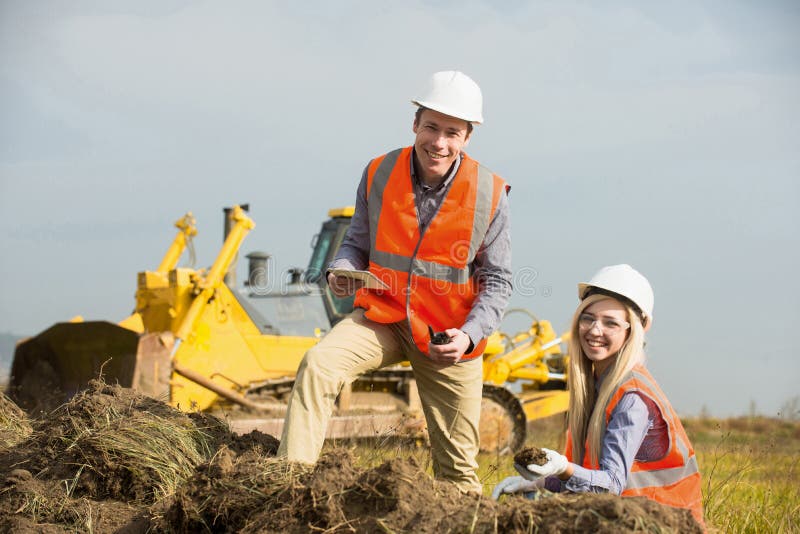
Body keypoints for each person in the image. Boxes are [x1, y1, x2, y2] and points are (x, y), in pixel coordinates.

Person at [277, 71, 512, 493]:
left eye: (452, 133)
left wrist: (470, 336)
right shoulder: (377, 173)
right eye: (432, 127)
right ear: (415, 124)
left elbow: (497, 280)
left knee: (459, 473)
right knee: (318, 366)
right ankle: (289, 488)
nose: (439, 142)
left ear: (467, 137)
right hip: (383, 318)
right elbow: (356, 243)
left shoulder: (489, 193)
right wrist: (340, 269)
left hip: (446, 337)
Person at [492, 264, 704, 527]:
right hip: (627, 518)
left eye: (610, 323)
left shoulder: (632, 399)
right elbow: (591, 480)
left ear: (631, 331)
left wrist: (562, 468)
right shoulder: (597, 387)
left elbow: (610, 486)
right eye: (588, 318)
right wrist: (539, 482)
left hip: (661, 526)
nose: (594, 330)